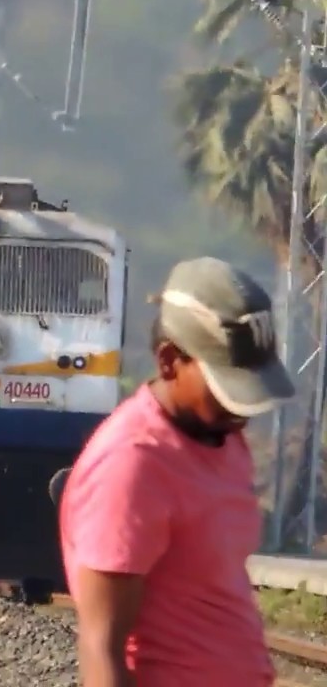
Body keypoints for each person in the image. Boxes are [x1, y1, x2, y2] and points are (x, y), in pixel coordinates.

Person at [60, 256, 292, 687]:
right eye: (226, 387)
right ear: (169, 360)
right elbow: (102, 646)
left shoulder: (221, 437)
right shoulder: (132, 465)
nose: (241, 410)